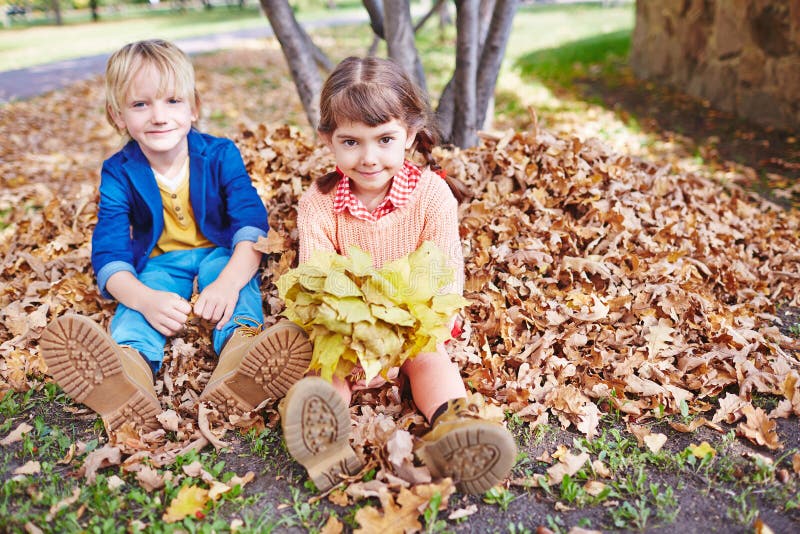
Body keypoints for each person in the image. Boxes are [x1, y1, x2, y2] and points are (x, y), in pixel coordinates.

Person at [39, 39, 311, 433]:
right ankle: (128, 377)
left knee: (232, 282)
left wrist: (228, 285)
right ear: (117, 116)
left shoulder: (219, 154)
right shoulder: (119, 170)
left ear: (194, 107)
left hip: (219, 252)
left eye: (172, 101)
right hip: (161, 264)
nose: (158, 116)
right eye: (140, 104)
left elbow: (251, 226)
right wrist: (145, 299)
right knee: (141, 296)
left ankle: (239, 364)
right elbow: (110, 250)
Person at [280, 56, 516, 495]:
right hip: (348, 318)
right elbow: (315, 278)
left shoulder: (431, 194)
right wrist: (360, 336)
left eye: (384, 139)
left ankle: (453, 427)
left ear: (408, 134)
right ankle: (325, 439)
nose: (369, 158)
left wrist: (404, 332)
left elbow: (445, 274)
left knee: (428, 358)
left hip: (415, 313)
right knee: (332, 364)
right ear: (327, 140)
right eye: (351, 142)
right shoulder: (318, 202)